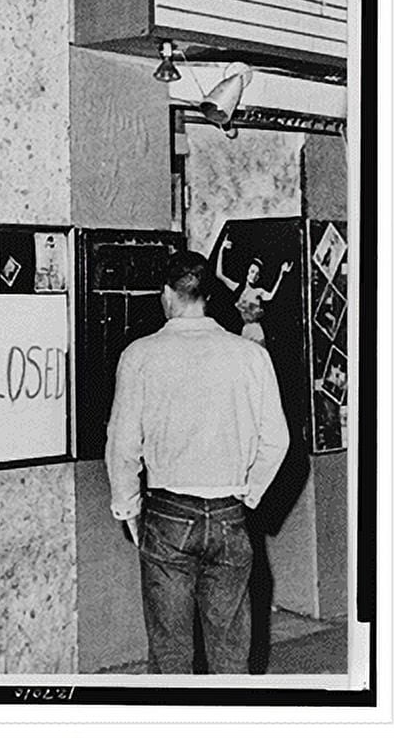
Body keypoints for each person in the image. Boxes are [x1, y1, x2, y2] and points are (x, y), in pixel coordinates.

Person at [105, 251, 289, 674]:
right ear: (208, 295)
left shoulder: (141, 355)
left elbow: (122, 443)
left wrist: (128, 509)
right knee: (230, 653)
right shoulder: (249, 356)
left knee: (171, 654)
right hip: (230, 512)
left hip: (168, 513)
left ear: (167, 294)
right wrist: (250, 494)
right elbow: (277, 440)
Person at [215, 237, 293, 345]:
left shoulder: (258, 291)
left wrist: (281, 273)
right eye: (252, 272)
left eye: (257, 274)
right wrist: (222, 248)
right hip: (244, 331)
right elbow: (219, 274)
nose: (254, 276)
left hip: (256, 331)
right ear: (247, 272)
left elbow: (270, 296)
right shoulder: (239, 288)